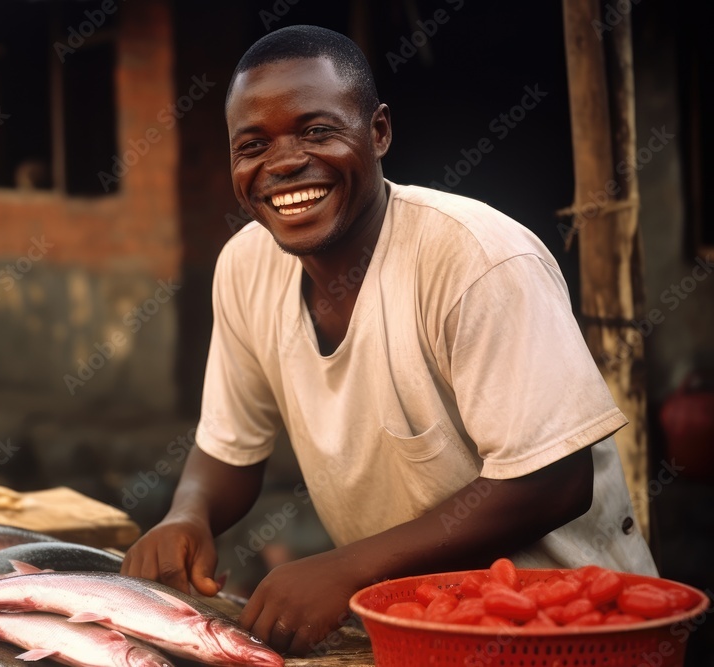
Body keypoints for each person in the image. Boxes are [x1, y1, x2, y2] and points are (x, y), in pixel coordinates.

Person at [121, 26, 657, 656]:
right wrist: (189, 514)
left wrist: (347, 568)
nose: (285, 161)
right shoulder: (245, 267)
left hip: (565, 628)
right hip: (409, 625)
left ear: (378, 132)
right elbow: (229, 448)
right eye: (253, 144)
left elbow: (555, 480)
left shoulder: (475, 259)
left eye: (317, 131)